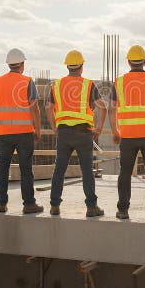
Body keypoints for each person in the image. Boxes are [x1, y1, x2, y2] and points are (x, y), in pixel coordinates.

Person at [109, 44, 145, 220]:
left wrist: (115, 131)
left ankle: (123, 210)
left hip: (127, 135)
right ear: (144, 61)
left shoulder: (119, 82)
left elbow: (112, 109)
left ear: (128, 61)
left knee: (125, 173)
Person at [45, 50, 106, 217]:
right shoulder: (88, 84)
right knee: (87, 170)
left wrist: (54, 127)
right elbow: (103, 107)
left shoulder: (56, 85)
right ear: (81, 66)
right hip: (84, 133)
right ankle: (91, 207)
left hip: (64, 132)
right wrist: (98, 129)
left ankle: (54, 205)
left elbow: (48, 107)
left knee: (59, 170)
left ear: (67, 66)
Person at [0, 48, 43, 214]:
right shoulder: (26, 81)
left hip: (4, 133)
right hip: (25, 132)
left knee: (2, 169)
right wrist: (37, 129)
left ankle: (1, 204)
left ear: (8, 64)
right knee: (26, 169)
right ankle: (29, 204)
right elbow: (35, 107)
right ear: (22, 64)